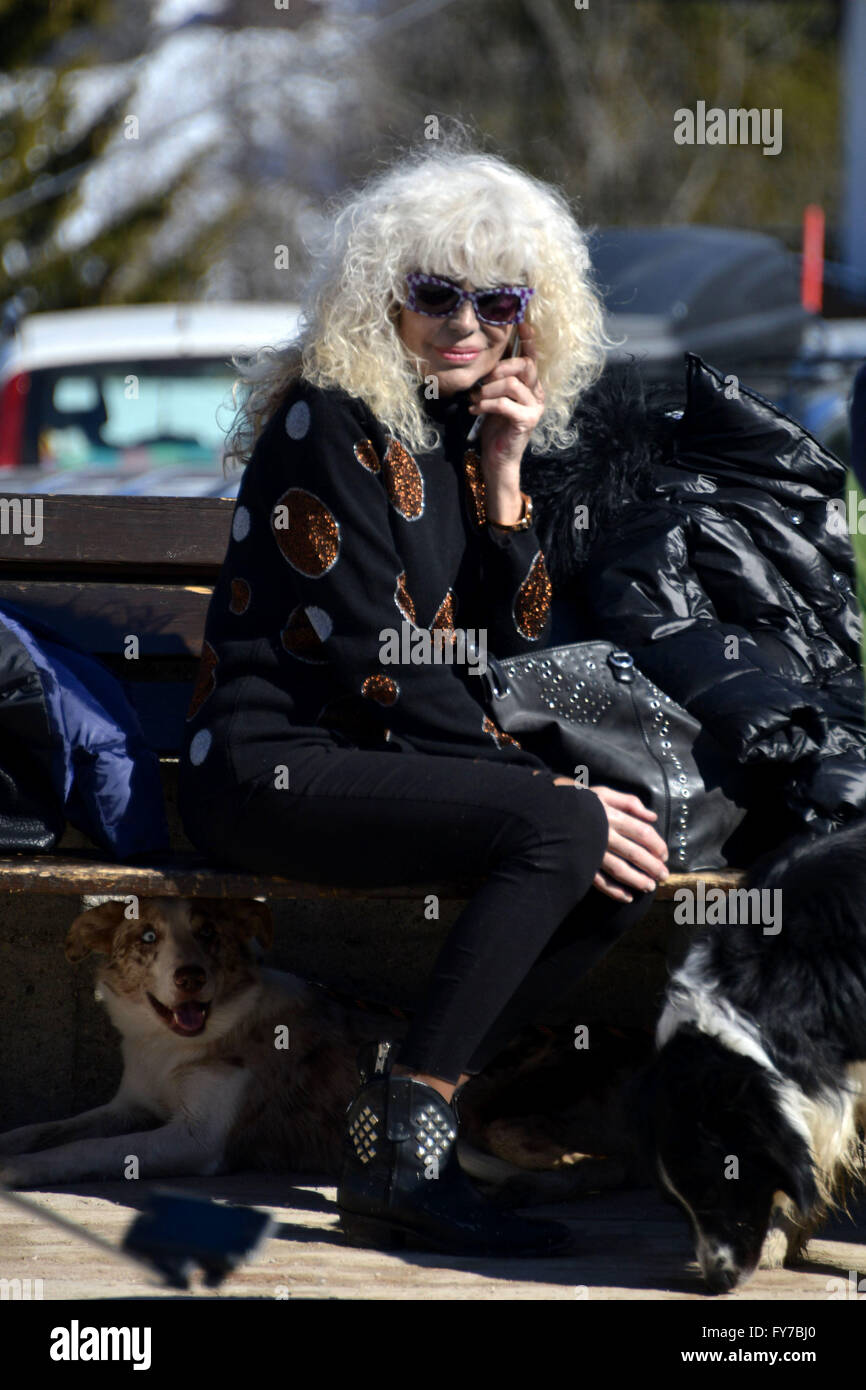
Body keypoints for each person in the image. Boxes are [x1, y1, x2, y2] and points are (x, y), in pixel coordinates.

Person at [178, 140, 669, 1257]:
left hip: (385, 756)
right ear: (379, 296)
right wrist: (543, 785)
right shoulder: (328, 420)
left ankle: (429, 1115)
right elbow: (373, 658)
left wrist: (503, 474)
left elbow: (514, 645)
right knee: (567, 822)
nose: (465, 324)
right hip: (269, 764)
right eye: (434, 294)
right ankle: (401, 1150)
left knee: (624, 848)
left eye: (497, 301)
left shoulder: (459, 433)